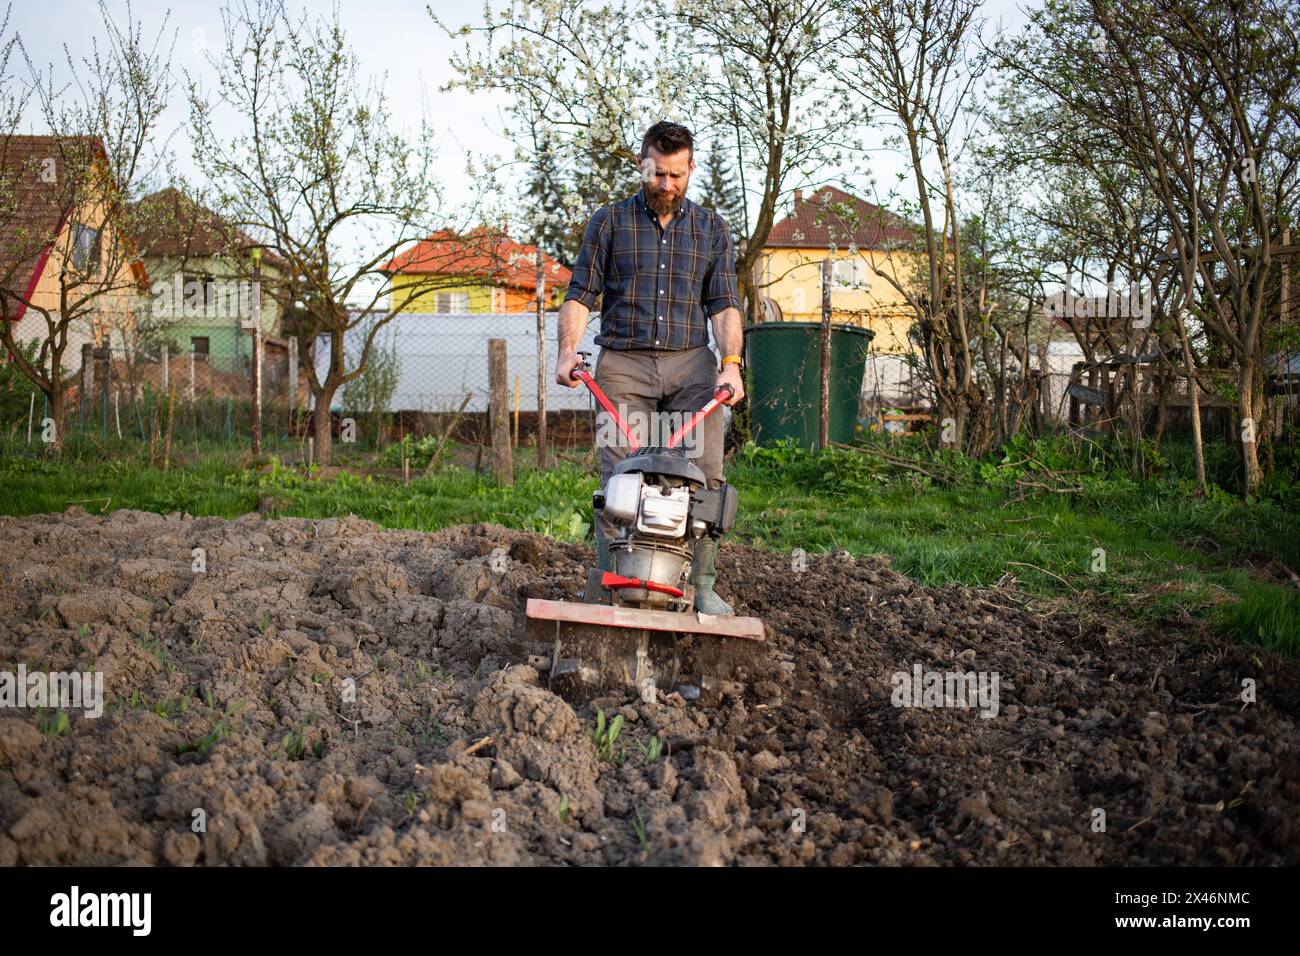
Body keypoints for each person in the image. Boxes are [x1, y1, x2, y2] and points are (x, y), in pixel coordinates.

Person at [555, 120, 745, 616]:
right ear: (642, 165)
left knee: (706, 475)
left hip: (691, 368)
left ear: (690, 169)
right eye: (658, 174)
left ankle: (702, 585)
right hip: (624, 362)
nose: (667, 185)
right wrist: (566, 351)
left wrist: (730, 365)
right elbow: (580, 293)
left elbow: (723, 306)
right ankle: (607, 582)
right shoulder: (610, 222)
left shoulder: (711, 229)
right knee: (618, 475)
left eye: (677, 175)